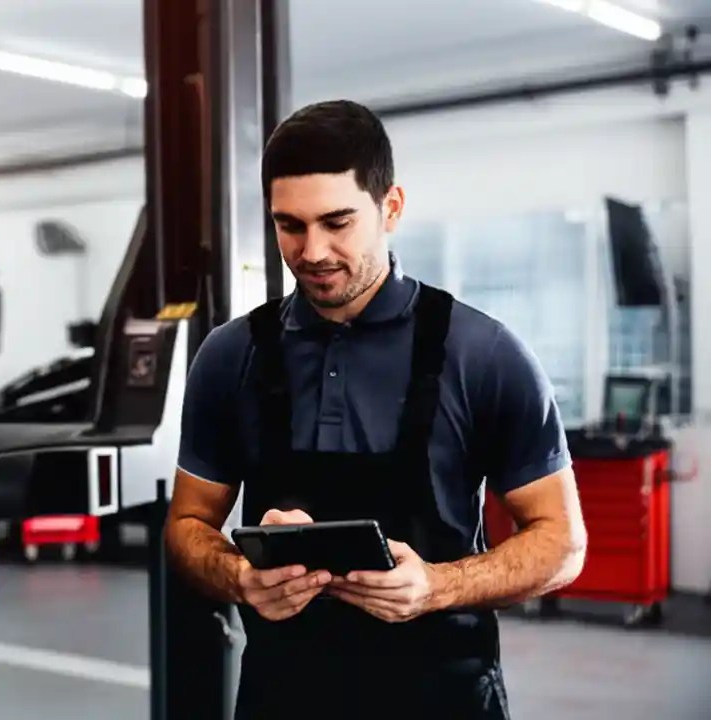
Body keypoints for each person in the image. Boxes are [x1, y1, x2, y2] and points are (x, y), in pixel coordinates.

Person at [164, 100, 588, 718]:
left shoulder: (484, 353)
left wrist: (437, 585)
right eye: (290, 225)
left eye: (337, 222)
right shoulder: (231, 356)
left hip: (444, 698)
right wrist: (240, 577)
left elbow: (561, 542)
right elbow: (186, 524)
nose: (313, 251)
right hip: (283, 696)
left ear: (391, 207)